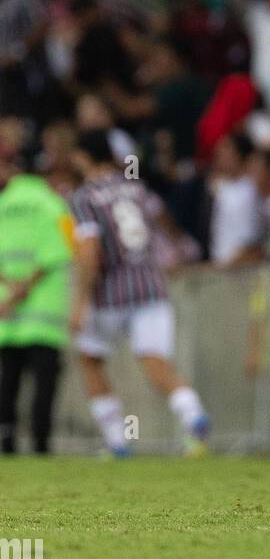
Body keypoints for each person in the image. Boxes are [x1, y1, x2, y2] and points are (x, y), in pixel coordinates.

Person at [68, 130, 210, 457]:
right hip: (151, 286)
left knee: (90, 359)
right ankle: (193, 416)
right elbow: (163, 220)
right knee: (156, 363)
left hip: (110, 292)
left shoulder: (84, 197)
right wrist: (177, 252)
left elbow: (89, 251)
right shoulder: (136, 187)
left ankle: (117, 442)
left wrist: (79, 302)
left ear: (82, 157)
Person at [0, 170, 74, 454]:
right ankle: (41, 445)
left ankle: (6, 445)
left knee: (8, 384)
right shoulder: (53, 203)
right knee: (44, 386)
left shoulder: (3, 203)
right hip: (45, 314)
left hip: (8, 313)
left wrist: (11, 290)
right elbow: (63, 248)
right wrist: (26, 287)